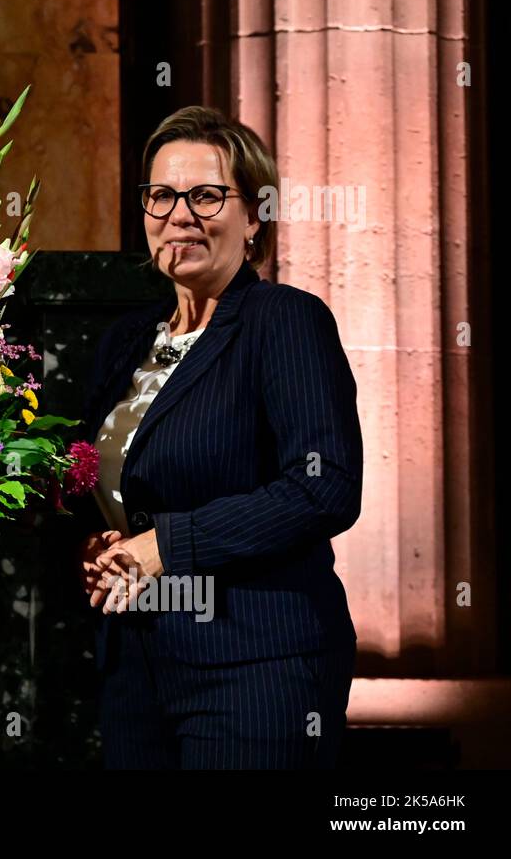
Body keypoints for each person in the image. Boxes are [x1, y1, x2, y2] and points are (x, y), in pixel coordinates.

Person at [78, 105, 362, 768]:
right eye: (161, 196)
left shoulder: (283, 320)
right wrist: (101, 542)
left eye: (206, 195)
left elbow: (326, 487)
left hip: (255, 664)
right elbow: (118, 485)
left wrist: (168, 548)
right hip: (136, 663)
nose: (181, 214)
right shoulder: (126, 341)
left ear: (254, 214)